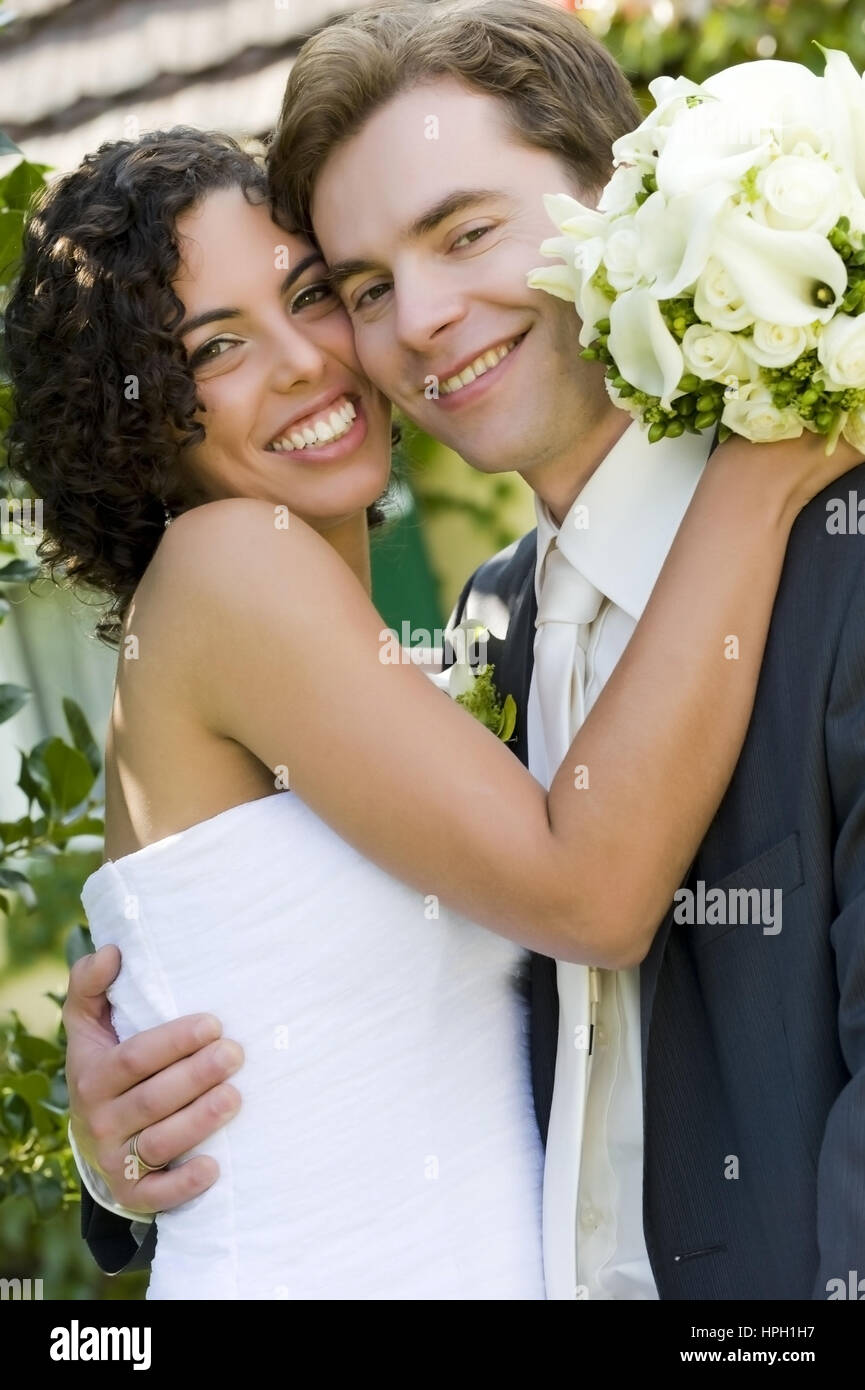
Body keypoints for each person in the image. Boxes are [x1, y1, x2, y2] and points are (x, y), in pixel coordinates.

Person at [56, 2, 864, 1299]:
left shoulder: (842, 563)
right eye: (366, 285)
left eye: (466, 231)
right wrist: (125, 1137)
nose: (421, 318)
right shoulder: (483, 629)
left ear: (620, 194)